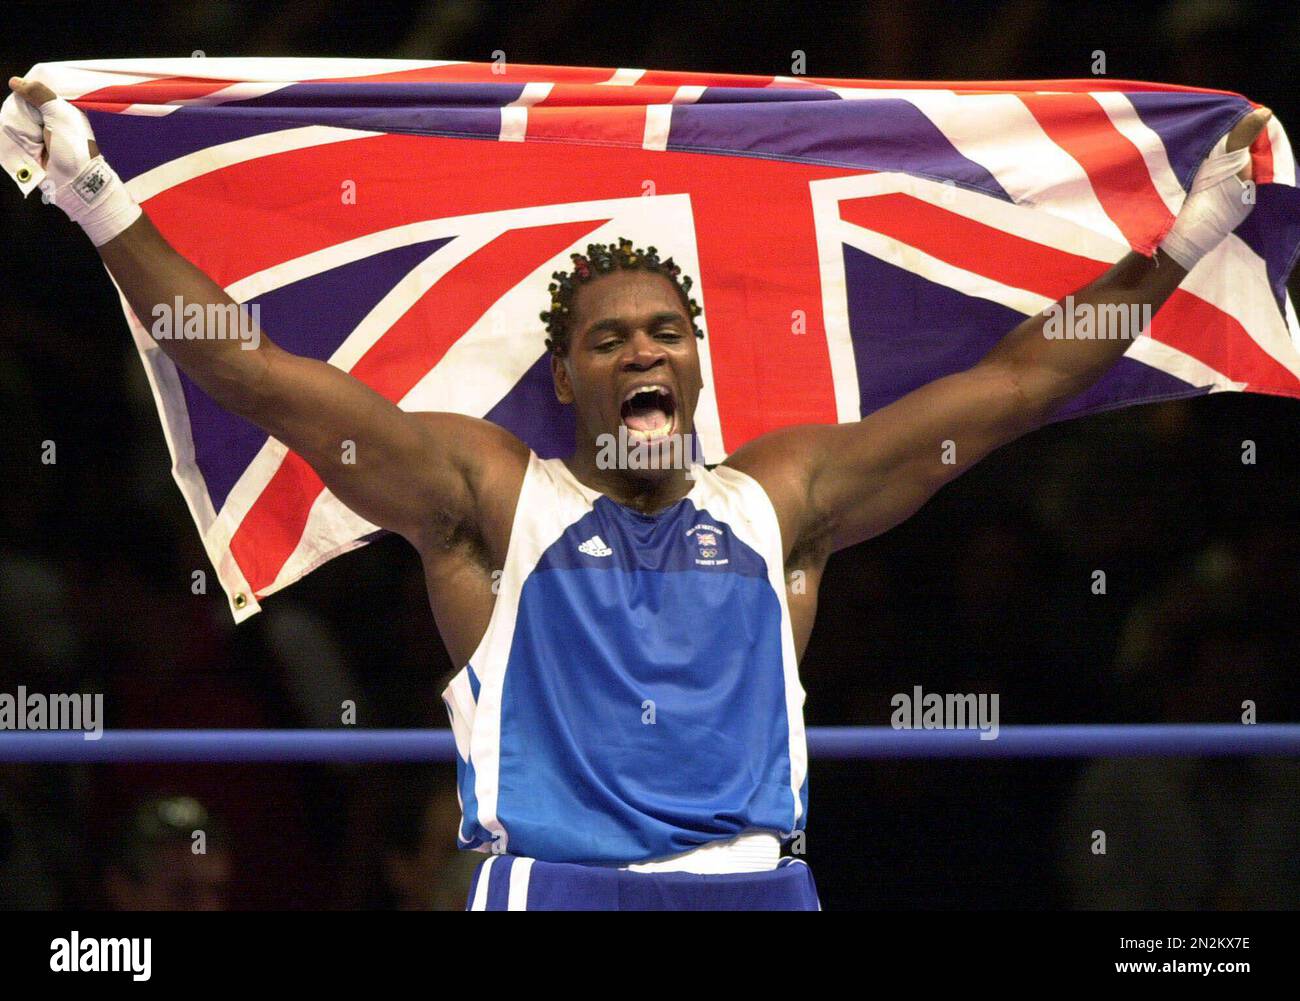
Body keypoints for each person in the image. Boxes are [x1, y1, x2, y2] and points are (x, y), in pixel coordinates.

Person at [5, 74, 1270, 910]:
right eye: (610, 340)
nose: (644, 351)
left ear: (699, 354)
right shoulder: (489, 499)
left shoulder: (789, 494)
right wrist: (92, 192)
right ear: (566, 375)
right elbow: (256, 373)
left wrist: (1184, 237)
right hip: (556, 885)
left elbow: (1016, 383)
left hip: (757, 886)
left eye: (665, 329)